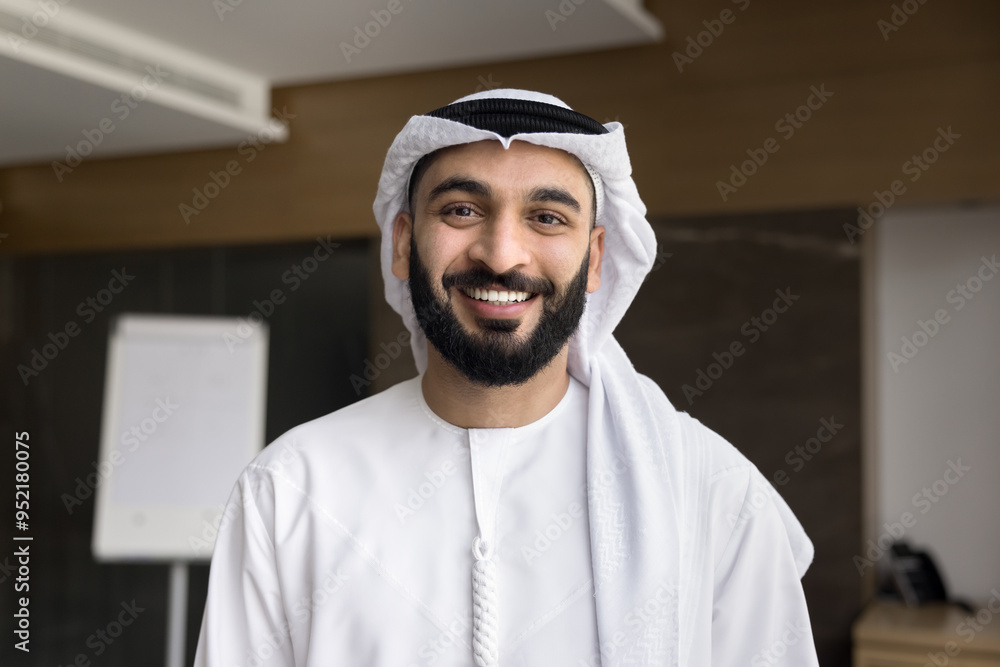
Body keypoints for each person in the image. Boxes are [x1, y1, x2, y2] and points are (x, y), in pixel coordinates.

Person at [193, 89, 820, 666]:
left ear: (595, 257)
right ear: (404, 243)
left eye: (547, 217)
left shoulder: (710, 493)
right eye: (463, 210)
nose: (501, 254)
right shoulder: (292, 489)